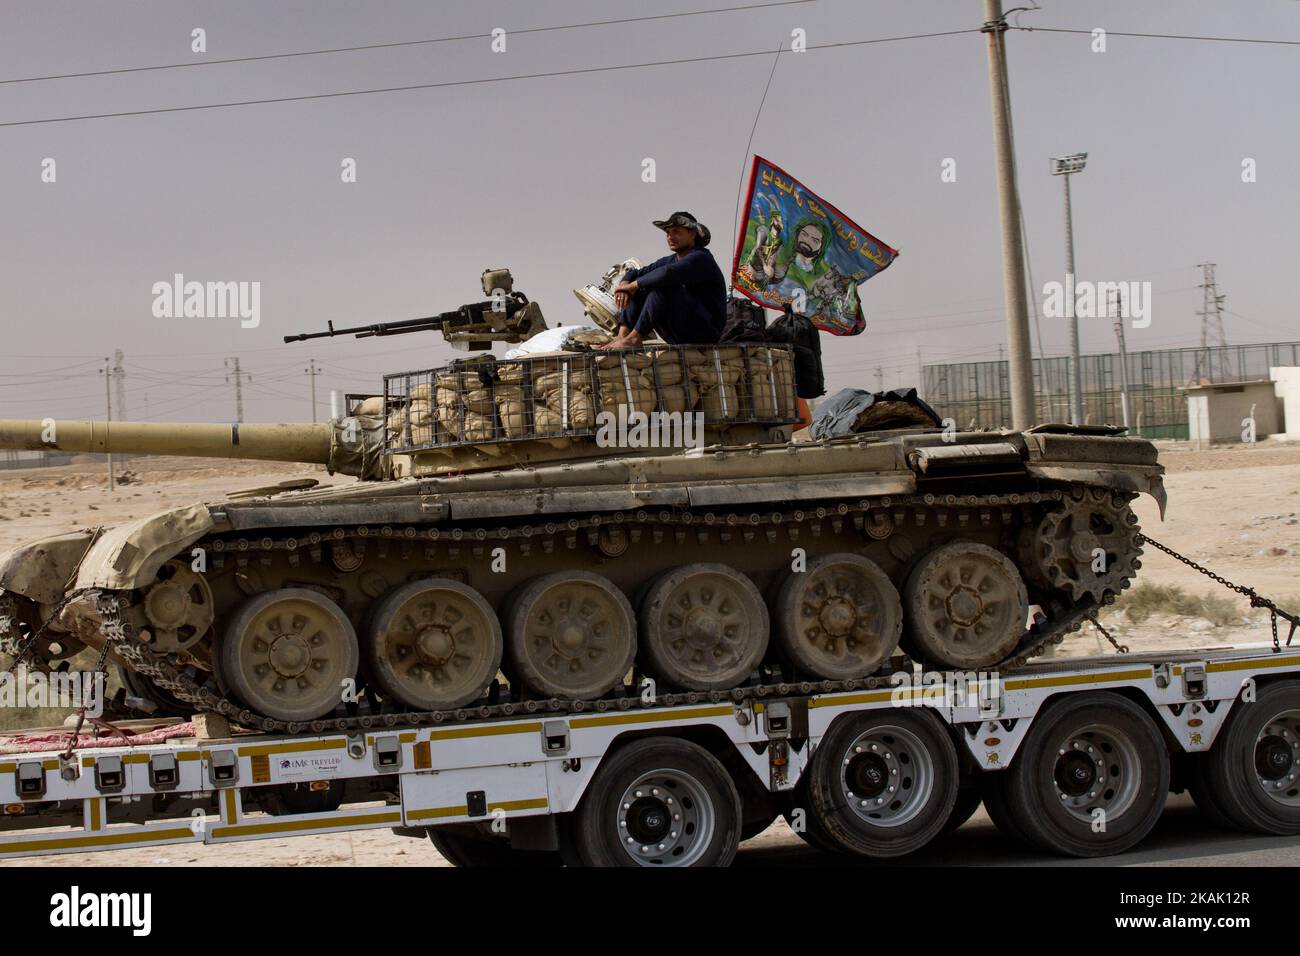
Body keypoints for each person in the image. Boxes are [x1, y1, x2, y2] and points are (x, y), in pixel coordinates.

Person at [599, 211, 726, 349]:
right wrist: (624, 286)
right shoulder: (670, 260)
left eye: (676, 231)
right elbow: (636, 273)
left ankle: (635, 339)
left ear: (692, 234)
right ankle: (623, 335)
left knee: (662, 285)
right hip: (678, 331)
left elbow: (667, 274)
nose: (670, 237)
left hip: (705, 332)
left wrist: (631, 287)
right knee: (642, 284)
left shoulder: (701, 258)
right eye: (668, 233)